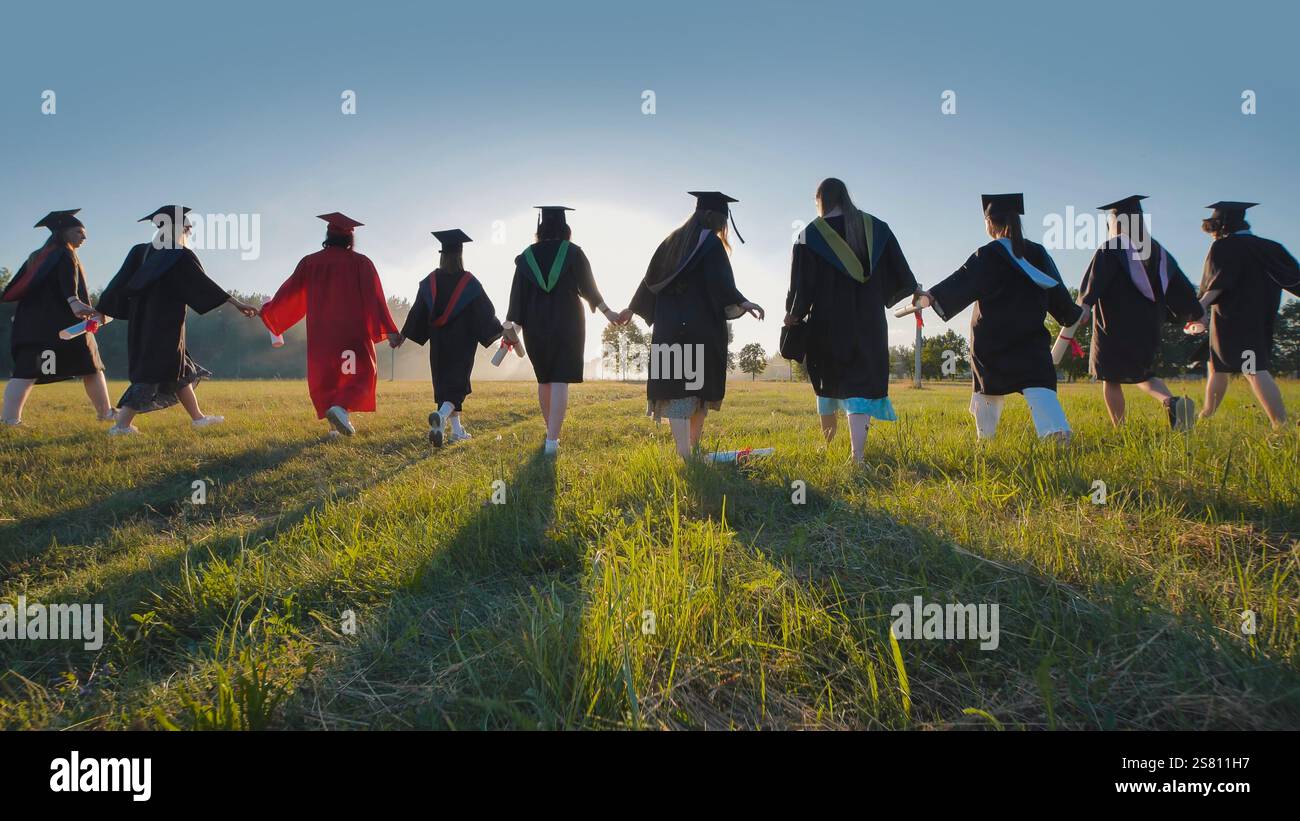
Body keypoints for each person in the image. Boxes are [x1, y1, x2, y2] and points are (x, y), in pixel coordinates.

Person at [915, 193, 1082, 441]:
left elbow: (961, 281)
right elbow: (1057, 293)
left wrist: (929, 297)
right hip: (1030, 338)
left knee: (987, 388)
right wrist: (1072, 314)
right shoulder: (1037, 253)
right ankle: (1056, 431)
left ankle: (986, 439)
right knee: (1039, 385)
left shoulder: (989, 254)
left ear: (990, 223)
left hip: (991, 340)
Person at [620, 191, 765, 460]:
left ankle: (687, 452)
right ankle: (690, 452)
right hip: (700, 329)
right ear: (719, 219)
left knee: (676, 392)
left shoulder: (671, 241)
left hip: (668, 329)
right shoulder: (711, 244)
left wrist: (632, 306)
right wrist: (743, 302)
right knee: (697, 391)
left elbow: (649, 279)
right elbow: (722, 284)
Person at [783, 178, 919, 463]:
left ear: (820, 199)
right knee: (860, 383)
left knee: (828, 380)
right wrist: (914, 290)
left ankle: (829, 446)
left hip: (827, 324)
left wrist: (793, 314)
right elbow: (900, 274)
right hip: (869, 321)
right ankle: (857, 455)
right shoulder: (876, 228)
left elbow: (801, 287)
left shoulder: (810, 234)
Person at [97, 205, 259, 435]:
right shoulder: (178, 254)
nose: (190, 231)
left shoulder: (139, 252)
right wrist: (237, 303)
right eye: (188, 227)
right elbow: (203, 284)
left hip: (142, 321)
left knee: (179, 368)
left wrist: (101, 310)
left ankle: (198, 418)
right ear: (178, 228)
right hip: (166, 322)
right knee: (152, 369)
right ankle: (121, 425)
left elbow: (117, 284)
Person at [1056, 195, 1204, 429]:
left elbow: (1094, 281)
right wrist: (1195, 313)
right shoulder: (1158, 251)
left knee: (1110, 378)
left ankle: (1120, 429)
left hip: (1113, 326)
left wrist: (1083, 306)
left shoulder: (1112, 248)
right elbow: (1181, 286)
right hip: (1149, 326)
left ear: (1117, 223)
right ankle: (1172, 402)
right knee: (1144, 373)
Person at [260, 213, 401, 437]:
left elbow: (291, 292)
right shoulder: (361, 263)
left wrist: (270, 312)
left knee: (330, 378)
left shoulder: (310, 262)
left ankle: (335, 426)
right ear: (349, 239)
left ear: (328, 235)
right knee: (361, 373)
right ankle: (341, 409)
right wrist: (390, 329)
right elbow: (374, 297)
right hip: (351, 332)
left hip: (321, 333)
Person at [506, 206, 620, 456]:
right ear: (565, 229)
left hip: (535, 324)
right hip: (567, 322)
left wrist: (511, 325)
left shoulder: (526, 257)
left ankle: (551, 437)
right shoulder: (573, 252)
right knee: (559, 380)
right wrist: (608, 312)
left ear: (540, 229)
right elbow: (589, 287)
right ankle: (551, 440)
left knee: (544, 379)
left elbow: (517, 297)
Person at [394, 229, 508, 446]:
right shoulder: (469, 283)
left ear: (442, 255)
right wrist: (500, 331)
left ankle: (457, 431)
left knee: (445, 385)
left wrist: (404, 334)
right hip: (462, 343)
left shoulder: (429, 282)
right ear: (460, 255)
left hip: (439, 344)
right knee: (458, 385)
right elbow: (485, 313)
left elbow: (417, 311)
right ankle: (442, 416)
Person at [2, 209, 113, 426]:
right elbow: (68, 283)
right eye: (79, 231)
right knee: (91, 366)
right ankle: (106, 413)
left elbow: (20, 289)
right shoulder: (65, 253)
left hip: (33, 326)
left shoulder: (37, 257)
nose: (84, 237)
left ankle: (9, 420)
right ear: (64, 232)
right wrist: (75, 303)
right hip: (65, 326)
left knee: (26, 371)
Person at [1193, 201, 1299, 428]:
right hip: (1262, 316)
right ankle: (1206, 415)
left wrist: (1200, 307)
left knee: (1253, 368)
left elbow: (1218, 283)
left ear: (1221, 226)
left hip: (1232, 318)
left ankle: (1280, 425)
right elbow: (1294, 279)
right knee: (1216, 365)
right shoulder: (1272, 247)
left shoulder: (1224, 246)